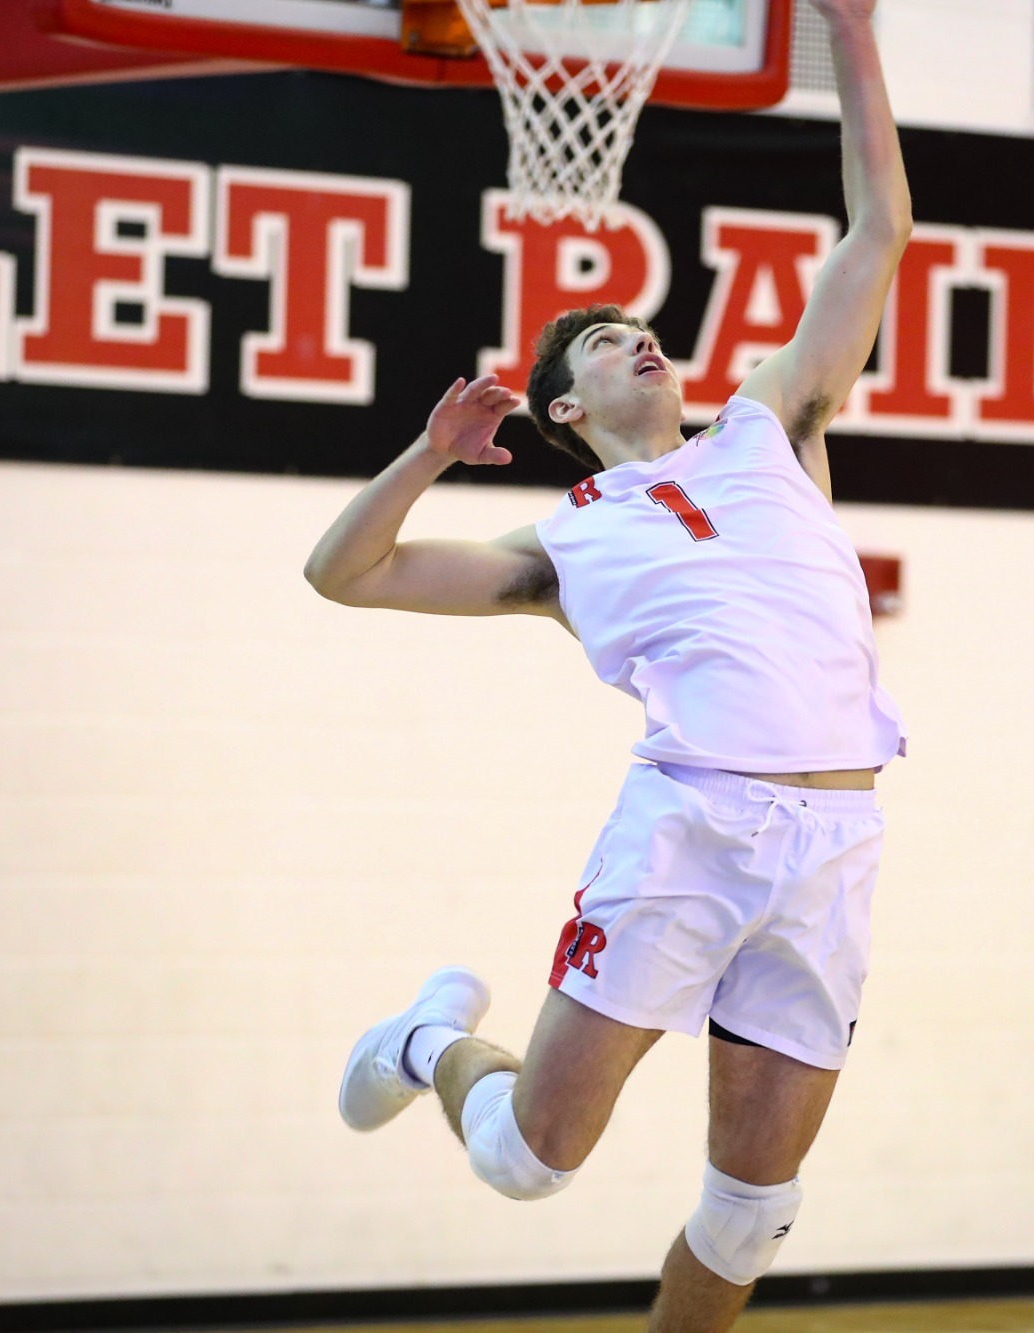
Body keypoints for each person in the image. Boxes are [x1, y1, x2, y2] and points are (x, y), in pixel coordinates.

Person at [303, 2, 909, 1326]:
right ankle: (428, 1037)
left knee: (755, 1209)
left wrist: (851, 34)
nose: (639, 333)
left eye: (644, 322)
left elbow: (876, 235)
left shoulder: (773, 428)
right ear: (565, 409)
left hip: (838, 836)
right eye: (599, 337)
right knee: (528, 1159)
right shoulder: (569, 537)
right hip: (689, 826)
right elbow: (344, 574)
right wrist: (424, 458)